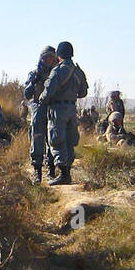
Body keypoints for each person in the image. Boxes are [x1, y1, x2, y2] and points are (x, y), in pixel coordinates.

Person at [39, 40, 88, 185]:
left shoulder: (58, 70)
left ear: (59, 54)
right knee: (69, 140)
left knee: (57, 139)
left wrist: (42, 99)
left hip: (57, 110)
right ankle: (67, 172)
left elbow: (47, 93)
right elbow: (83, 92)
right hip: (72, 109)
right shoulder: (78, 71)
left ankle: (63, 174)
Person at [23, 46, 59, 183]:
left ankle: (51, 170)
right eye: (46, 57)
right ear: (41, 59)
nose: (48, 60)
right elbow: (26, 94)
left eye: (51, 57)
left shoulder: (57, 73)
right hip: (38, 107)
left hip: (53, 108)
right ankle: (37, 171)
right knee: (37, 138)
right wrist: (34, 81)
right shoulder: (34, 73)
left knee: (53, 139)